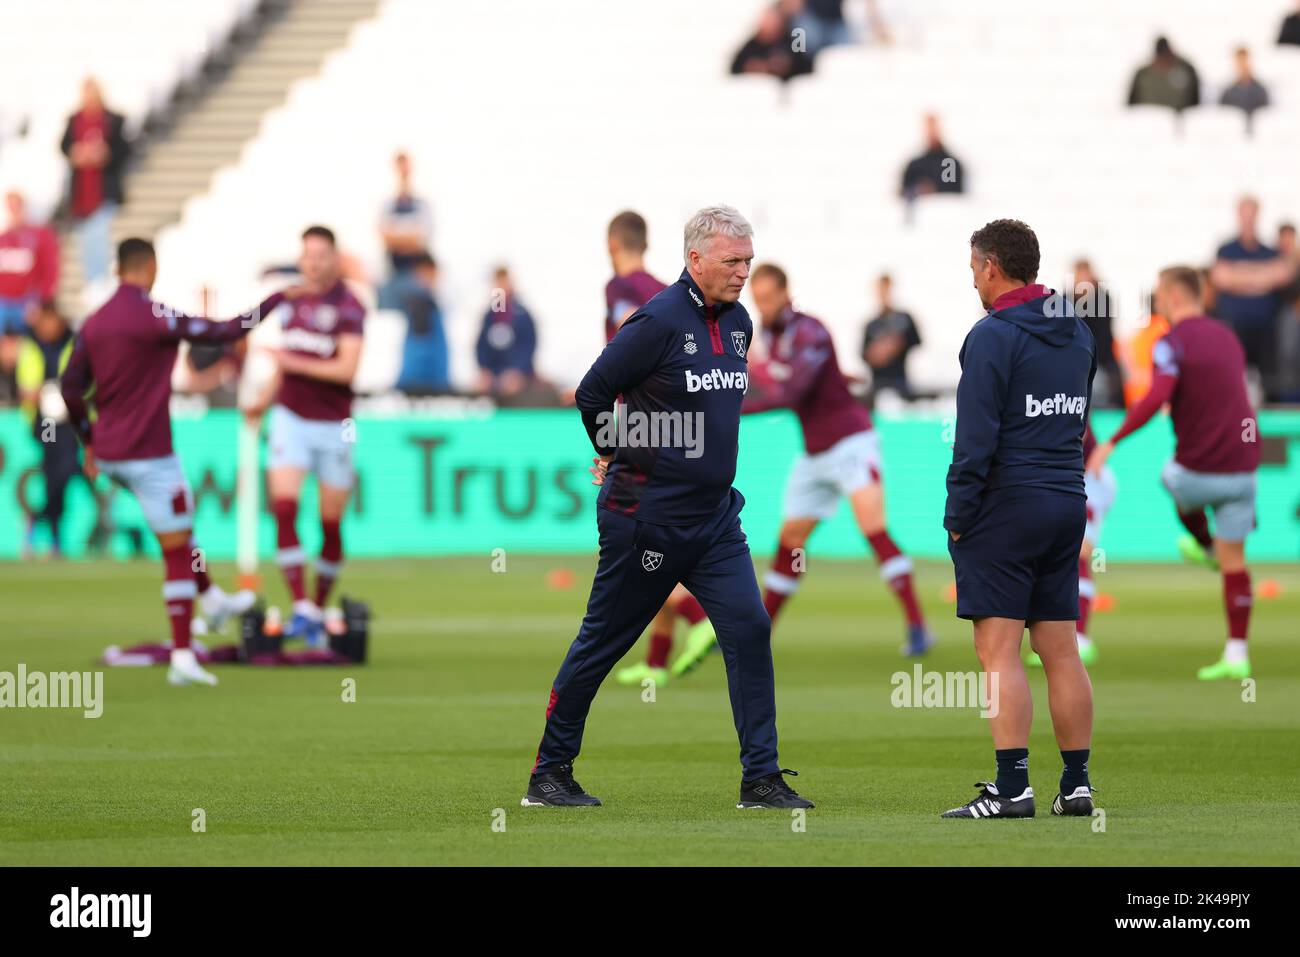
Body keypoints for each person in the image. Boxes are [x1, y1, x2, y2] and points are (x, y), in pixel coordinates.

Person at [523, 206, 812, 811]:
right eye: (733, 261)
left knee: (751, 628)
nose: (743, 272)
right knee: (604, 642)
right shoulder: (655, 321)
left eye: (749, 260)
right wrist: (613, 450)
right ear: (696, 259)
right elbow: (593, 391)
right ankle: (549, 772)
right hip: (645, 518)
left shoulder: (737, 324)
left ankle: (760, 779)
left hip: (714, 519)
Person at [672, 261, 933, 681]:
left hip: (851, 442)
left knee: (874, 530)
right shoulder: (770, 338)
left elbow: (791, 392)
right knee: (791, 545)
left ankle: (918, 625)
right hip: (815, 454)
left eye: (769, 297)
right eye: (757, 299)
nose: (763, 305)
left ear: (786, 293)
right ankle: (762, 629)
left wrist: (728, 403)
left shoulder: (809, 331)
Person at [60, 239, 276, 686]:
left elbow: (69, 387)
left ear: (119, 269)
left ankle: (213, 600)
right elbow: (227, 332)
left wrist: (89, 442)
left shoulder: (96, 322)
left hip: (113, 452)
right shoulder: (156, 316)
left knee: (179, 528)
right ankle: (182, 656)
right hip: (149, 453)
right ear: (151, 267)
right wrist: (276, 300)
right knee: (176, 548)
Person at [942, 219, 1097, 820]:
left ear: (989, 267)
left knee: (998, 650)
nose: (972, 279)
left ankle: (1011, 790)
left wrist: (958, 515)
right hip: (1065, 501)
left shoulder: (991, 336)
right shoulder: (1078, 332)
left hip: (1006, 506)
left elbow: (974, 440)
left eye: (973, 268)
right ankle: (1077, 786)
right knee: (1061, 648)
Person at [1088, 267, 1261, 682]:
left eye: (1160, 297)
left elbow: (1157, 395)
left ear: (1174, 297)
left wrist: (1113, 441)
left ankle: (1203, 544)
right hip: (1244, 468)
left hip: (1198, 471)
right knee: (1235, 562)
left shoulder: (1172, 342)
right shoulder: (1227, 337)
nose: (1158, 304)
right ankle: (1237, 653)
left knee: (1170, 476)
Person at [245, 226, 365, 648]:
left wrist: (291, 362)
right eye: (307, 255)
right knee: (283, 507)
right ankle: (302, 608)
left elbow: (345, 370)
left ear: (335, 259)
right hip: (290, 418)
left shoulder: (350, 306)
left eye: (320, 255)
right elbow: (286, 362)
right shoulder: (291, 301)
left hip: (335, 425)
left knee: (330, 524)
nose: (312, 262)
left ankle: (317, 602)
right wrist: (263, 398)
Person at [16, 301, 77, 558]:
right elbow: (26, 389)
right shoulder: (31, 347)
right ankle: (52, 533)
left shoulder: (71, 343)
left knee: (65, 472)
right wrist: (45, 394)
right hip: (45, 422)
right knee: (54, 472)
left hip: (69, 421)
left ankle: (42, 521)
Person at [60, 78, 131, 286]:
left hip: (103, 192)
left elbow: (124, 150)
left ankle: (100, 284)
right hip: (82, 194)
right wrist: (77, 153)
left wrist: (105, 154)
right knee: (86, 244)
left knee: (98, 240)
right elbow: (65, 146)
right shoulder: (74, 120)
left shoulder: (113, 120)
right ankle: (93, 285)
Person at [1212, 196, 1281, 394]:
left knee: (1270, 382)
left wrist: (1239, 276)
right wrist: (1261, 276)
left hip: (1265, 329)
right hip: (1235, 327)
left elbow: (1279, 275)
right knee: (1232, 380)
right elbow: (1222, 278)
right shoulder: (1226, 249)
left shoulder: (1269, 251)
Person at [0, 191, 60, 400]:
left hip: (27, 303)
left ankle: (29, 392)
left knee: (29, 350)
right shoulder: (3, 236)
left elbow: (50, 269)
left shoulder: (38, 236)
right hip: (3, 303)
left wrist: (39, 299)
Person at [394, 251, 450, 394]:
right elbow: (421, 346)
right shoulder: (419, 300)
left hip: (427, 379)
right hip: (422, 382)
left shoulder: (428, 299)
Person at [475, 267, 537, 397]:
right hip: (495, 373)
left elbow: (528, 347)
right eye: (498, 283)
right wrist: (485, 370)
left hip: (518, 373)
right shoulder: (490, 315)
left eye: (504, 282)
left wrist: (517, 371)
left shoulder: (523, 314)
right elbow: (481, 346)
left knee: (512, 387)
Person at [1069, 259, 1123, 407]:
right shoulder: (1068, 299)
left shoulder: (1102, 299)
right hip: (1077, 362)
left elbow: (1103, 335)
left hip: (1099, 361)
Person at [861, 273, 922, 400]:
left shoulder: (904, 318)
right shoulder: (871, 324)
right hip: (877, 384)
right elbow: (864, 354)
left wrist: (896, 344)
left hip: (900, 382)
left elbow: (917, 341)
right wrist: (877, 353)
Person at [378, 151, 433, 278]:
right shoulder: (386, 204)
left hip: (419, 272)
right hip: (393, 270)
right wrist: (409, 237)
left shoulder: (423, 204)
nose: (403, 170)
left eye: (406, 165)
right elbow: (385, 237)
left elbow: (421, 238)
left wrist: (397, 238)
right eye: (400, 166)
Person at [730, 4, 813, 83]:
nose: (770, 24)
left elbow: (806, 67)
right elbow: (734, 69)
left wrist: (787, 65)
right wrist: (751, 68)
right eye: (767, 21)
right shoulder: (752, 44)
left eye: (773, 20)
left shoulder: (790, 40)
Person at [900, 114, 964, 201]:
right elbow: (903, 192)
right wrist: (918, 190)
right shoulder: (915, 165)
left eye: (934, 127)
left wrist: (935, 190)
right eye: (928, 127)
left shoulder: (951, 163)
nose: (931, 131)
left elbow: (956, 193)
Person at [1127, 36, 1200, 111]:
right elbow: (1131, 103)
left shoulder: (1186, 69)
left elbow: (1195, 99)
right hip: (1149, 117)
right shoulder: (1143, 74)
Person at [1219, 47, 1270, 121]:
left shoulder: (1261, 91)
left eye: (1245, 62)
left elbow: (1265, 116)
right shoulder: (1227, 93)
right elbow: (1223, 116)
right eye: (1240, 63)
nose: (1243, 66)